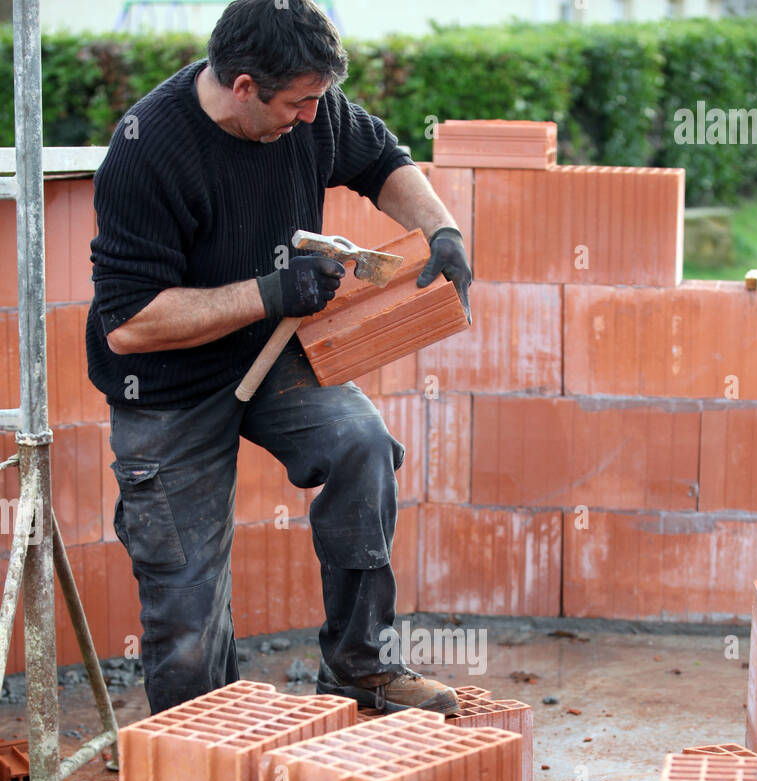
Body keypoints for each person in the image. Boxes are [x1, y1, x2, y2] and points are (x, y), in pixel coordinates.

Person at [86, 0, 472, 715]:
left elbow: (382, 159)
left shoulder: (310, 109)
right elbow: (130, 325)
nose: (308, 118)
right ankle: (198, 745)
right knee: (187, 614)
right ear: (241, 86)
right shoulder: (148, 150)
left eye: (316, 102)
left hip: (269, 356)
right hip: (165, 384)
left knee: (361, 446)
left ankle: (361, 664)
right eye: (296, 104)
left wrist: (441, 228)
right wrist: (270, 291)